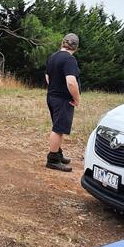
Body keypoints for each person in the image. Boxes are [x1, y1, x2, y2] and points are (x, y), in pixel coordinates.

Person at [44, 33, 80, 172]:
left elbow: (48, 77)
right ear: (76, 47)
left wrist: (55, 87)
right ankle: (52, 159)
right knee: (58, 129)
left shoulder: (53, 57)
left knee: (58, 127)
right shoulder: (69, 60)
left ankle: (58, 154)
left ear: (62, 43)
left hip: (52, 96)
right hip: (63, 99)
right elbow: (71, 82)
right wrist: (77, 98)